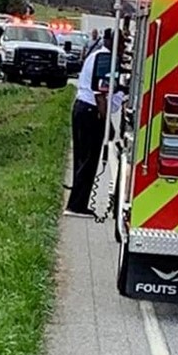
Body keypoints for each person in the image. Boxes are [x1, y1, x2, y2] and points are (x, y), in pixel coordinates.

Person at [65, 27, 128, 218]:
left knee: (81, 157)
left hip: (82, 108)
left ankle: (77, 202)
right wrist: (106, 120)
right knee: (89, 160)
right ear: (113, 43)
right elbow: (101, 93)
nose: (124, 47)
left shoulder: (97, 55)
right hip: (92, 111)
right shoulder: (106, 60)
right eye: (122, 43)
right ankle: (77, 205)